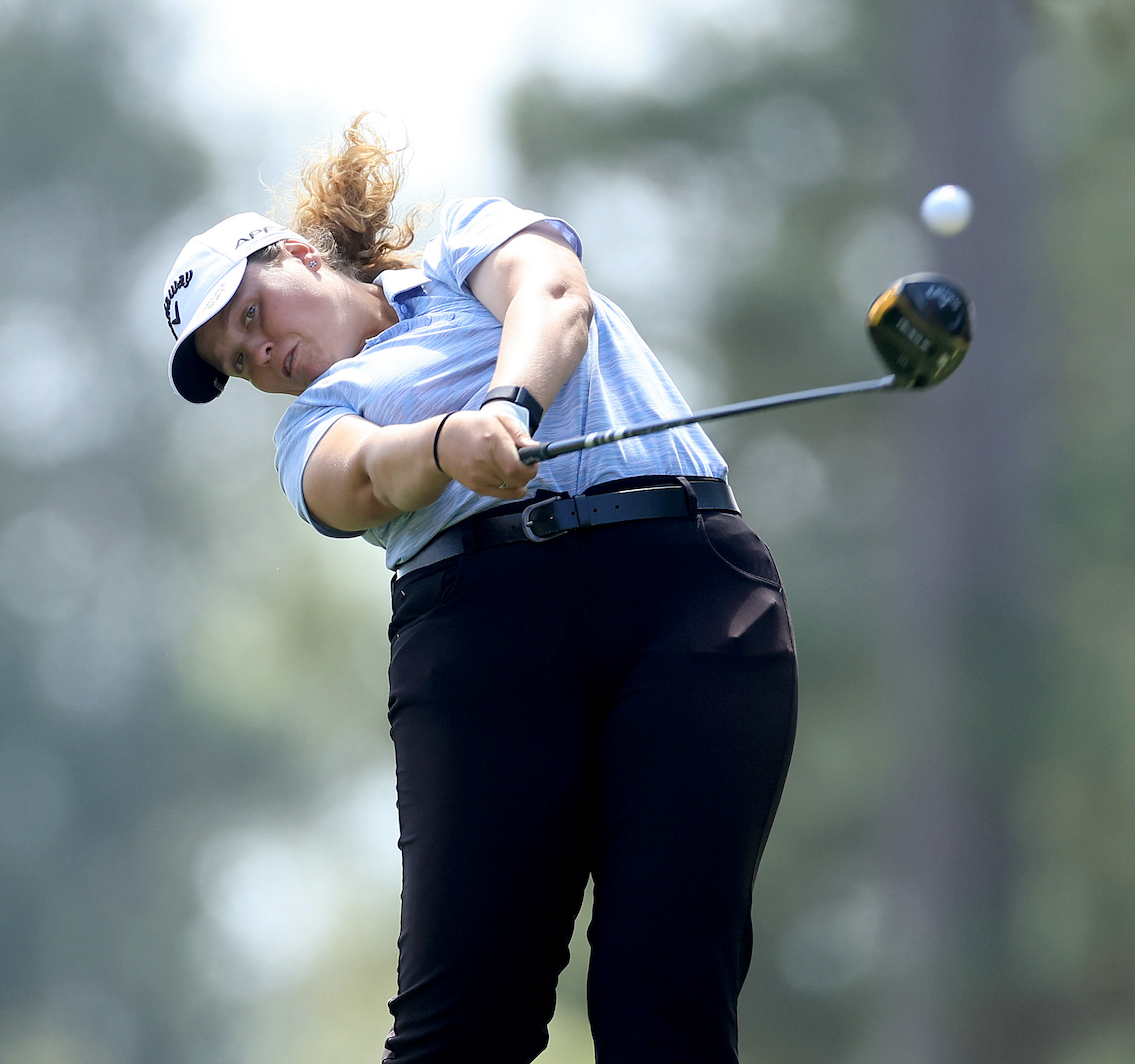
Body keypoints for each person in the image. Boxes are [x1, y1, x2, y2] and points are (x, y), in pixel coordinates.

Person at [160, 119, 797, 1064]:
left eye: (254, 316)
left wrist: (510, 404)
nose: (266, 356)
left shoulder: (464, 245)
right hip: (485, 646)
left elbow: (555, 299)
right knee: (462, 1032)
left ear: (295, 254)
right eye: (239, 361)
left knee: (665, 996)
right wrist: (444, 444)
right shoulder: (313, 427)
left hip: (684, 595)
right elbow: (366, 477)